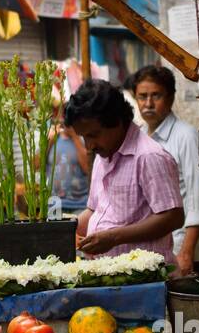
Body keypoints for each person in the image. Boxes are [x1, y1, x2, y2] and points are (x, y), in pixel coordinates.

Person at [65, 79, 184, 260]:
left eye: (93, 135)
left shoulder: (148, 156)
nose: (89, 146)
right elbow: (94, 210)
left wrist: (114, 237)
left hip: (143, 279)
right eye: (83, 137)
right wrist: (62, 231)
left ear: (117, 121)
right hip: (107, 275)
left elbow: (173, 217)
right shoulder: (102, 155)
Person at [131, 65, 199, 276]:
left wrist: (186, 253)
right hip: (150, 255)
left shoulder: (187, 137)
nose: (148, 104)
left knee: (184, 310)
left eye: (156, 96)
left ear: (171, 98)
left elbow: (198, 199)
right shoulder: (138, 137)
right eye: (142, 97)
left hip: (182, 252)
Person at [47, 120, 93, 217]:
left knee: (77, 232)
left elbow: (87, 168)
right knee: (54, 232)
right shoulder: (52, 138)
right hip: (54, 204)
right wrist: (49, 141)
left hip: (79, 205)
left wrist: (74, 136)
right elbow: (36, 165)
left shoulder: (84, 138)